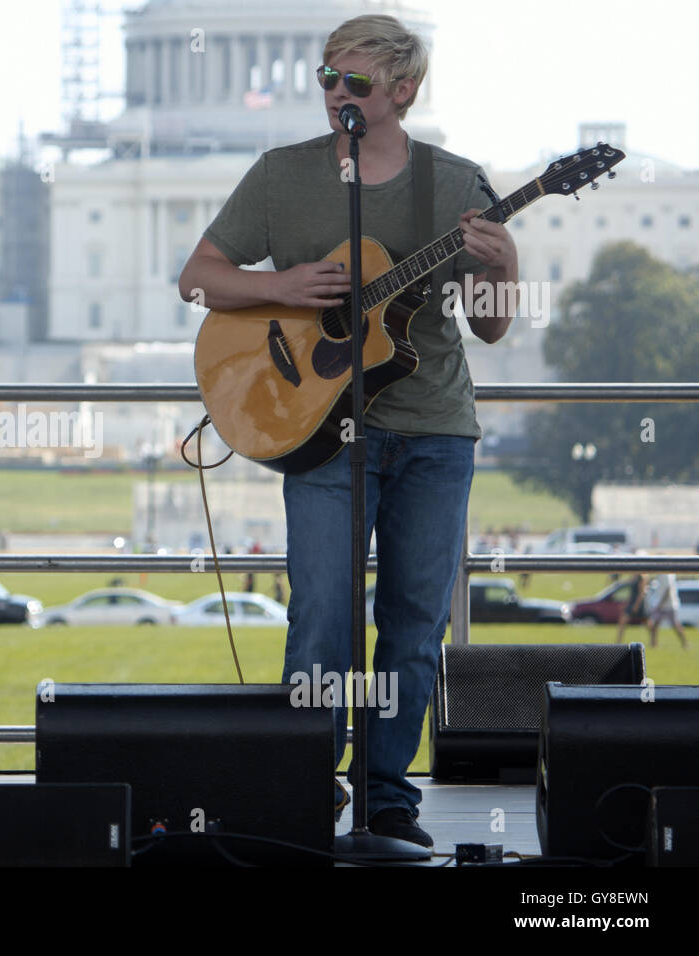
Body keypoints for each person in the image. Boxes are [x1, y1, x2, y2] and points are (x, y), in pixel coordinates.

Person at [179, 15, 518, 848]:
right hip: (325, 431)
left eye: (356, 83)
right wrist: (286, 287)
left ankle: (388, 796)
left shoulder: (456, 182)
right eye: (328, 77)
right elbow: (199, 278)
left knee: (412, 621)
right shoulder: (281, 175)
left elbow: (492, 330)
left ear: (404, 91)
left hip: (434, 428)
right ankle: (308, 784)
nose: (338, 93)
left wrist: (506, 270)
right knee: (323, 616)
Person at [646, 572, 689, 649]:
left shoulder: (667, 574)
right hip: (662, 603)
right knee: (655, 624)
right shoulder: (662, 574)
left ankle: (685, 643)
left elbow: (668, 589)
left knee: (675, 625)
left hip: (669, 604)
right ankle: (653, 643)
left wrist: (661, 603)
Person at [615, 570, 647, 643]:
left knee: (648, 624)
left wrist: (636, 605)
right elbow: (631, 591)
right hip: (632, 602)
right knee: (622, 622)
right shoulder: (634, 576)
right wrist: (627, 603)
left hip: (638, 603)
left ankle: (653, 641)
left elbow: (641, 593)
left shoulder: (641, 577)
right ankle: (618, 642)